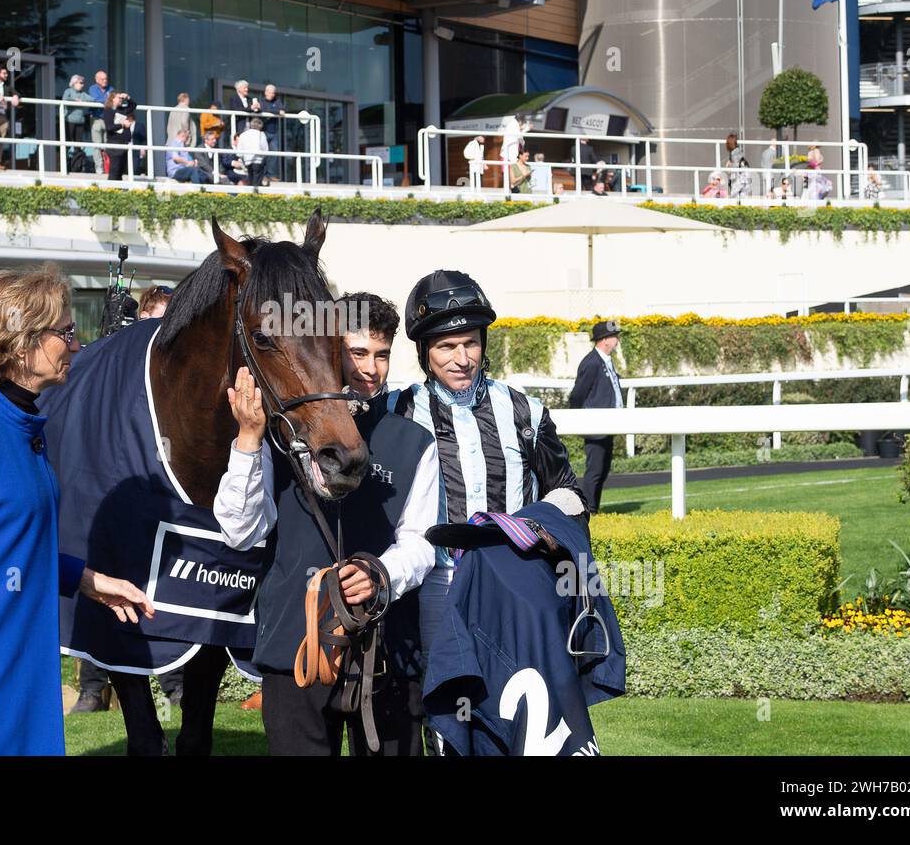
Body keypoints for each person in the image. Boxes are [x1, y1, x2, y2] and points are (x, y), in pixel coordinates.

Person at [0, 267, 154, 755]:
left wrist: (88, 581)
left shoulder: (21, 421)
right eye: (66, 332)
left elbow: (6, 544)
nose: (76, 346)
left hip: (21, 671)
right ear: (21, 344)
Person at [215, 293, 438, 755]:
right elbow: (240, 531)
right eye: (358, 353)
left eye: (381, 355)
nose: (370, 369)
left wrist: (382, 575)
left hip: (386, 652)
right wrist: (248, 439)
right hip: (293, 648)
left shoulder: (414, 441)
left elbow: (421, 543)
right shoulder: (277, 437)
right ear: (331, 350)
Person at [387, 271, 589, 724]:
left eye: (471, 343)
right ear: (424, 352)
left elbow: (570, 495)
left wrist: (542, 531)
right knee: (445, 712)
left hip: (514, 579)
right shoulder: (397, 410)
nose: (462, 358)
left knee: (517, 708)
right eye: (446, 346)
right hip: (436, 584)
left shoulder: (525, 411)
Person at [568, 320, 624, 515]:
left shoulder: (604, 361)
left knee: (603, 468)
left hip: (607, 425)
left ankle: (594, 508)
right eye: (615, 336)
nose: (617, 340)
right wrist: (581, 420)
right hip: (596, 425)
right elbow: (577, 394)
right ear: (605, 340)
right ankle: (589, 510)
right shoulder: (591, 362)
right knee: (595, 470)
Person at [258, 84, 284, 182]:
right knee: (262, 154)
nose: (272, 94)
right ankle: (263, 175)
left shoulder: (277, 101)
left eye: (273, 93)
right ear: (265, 92)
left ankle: (271, 174)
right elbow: (261, 109)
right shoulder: (262, 102)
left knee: (274, 153)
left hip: (274, 133)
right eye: (270, 92)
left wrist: (274, 111)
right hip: (263, 132)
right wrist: (276, 112)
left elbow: (282, 109)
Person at [62, 74, 91, 157]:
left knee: (78, 144)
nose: (83, 85)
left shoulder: (83, 94)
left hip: (80, 121)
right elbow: (65, 99)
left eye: (83, 83)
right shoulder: (68, 91)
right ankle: (64, 161)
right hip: (69, 120)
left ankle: (77, 164)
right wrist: (75, 101)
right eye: (80, 83)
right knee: (67, 142)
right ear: (74, 83)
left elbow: (92, 99)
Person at [235, 117, 269, 186]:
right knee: (257, 183)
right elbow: (265, 149)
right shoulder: (261, 134)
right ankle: (255, 195)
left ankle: (250, 195)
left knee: (250, 179)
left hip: (247, 161)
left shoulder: (243, 134)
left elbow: (239, 152)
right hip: (258, 161)